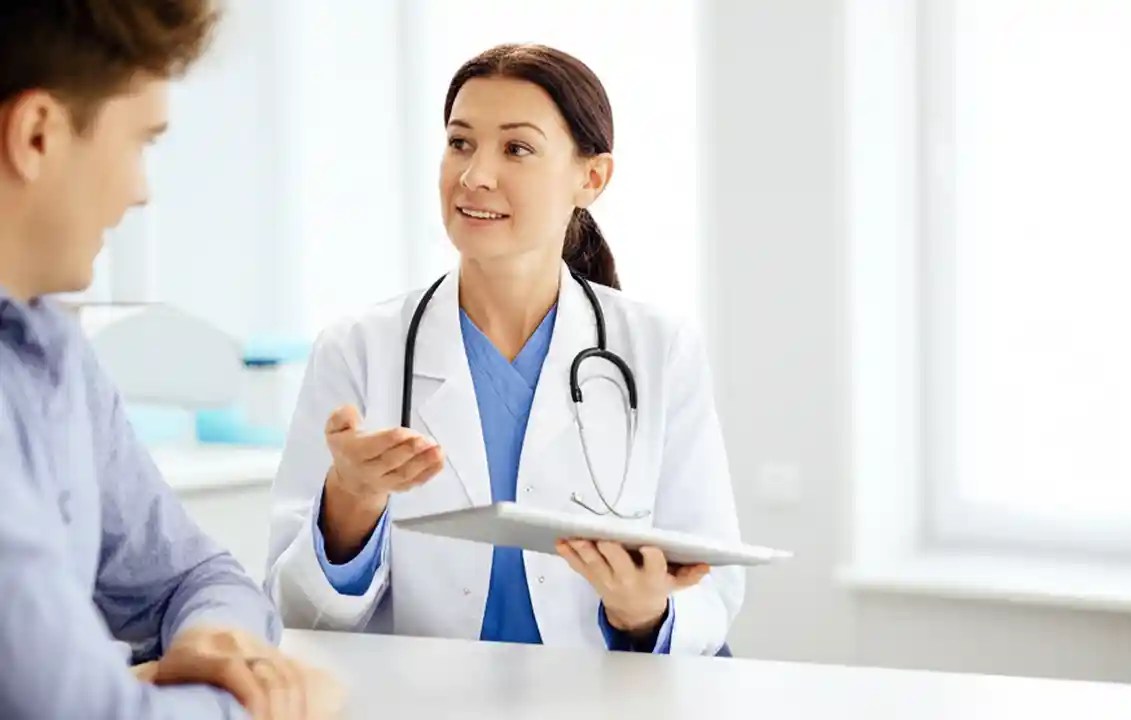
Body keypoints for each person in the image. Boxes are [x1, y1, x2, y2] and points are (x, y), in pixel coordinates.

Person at [266, 43, 743, 656]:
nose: (474, 176)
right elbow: (294, 611)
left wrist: (643, 612)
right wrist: (351, 500)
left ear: (591, 178)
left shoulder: (660, 350)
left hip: (597, 696)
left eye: (516, 148)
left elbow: (711, 584)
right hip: (420, 695)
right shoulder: (358, 349)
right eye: (460, 142)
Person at [0, 2, 339, 718]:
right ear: (36, 136)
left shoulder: (54, 356)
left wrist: (217, 645)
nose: (141, 190)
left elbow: (194, 575)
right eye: (140, 143)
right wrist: (268, 705)